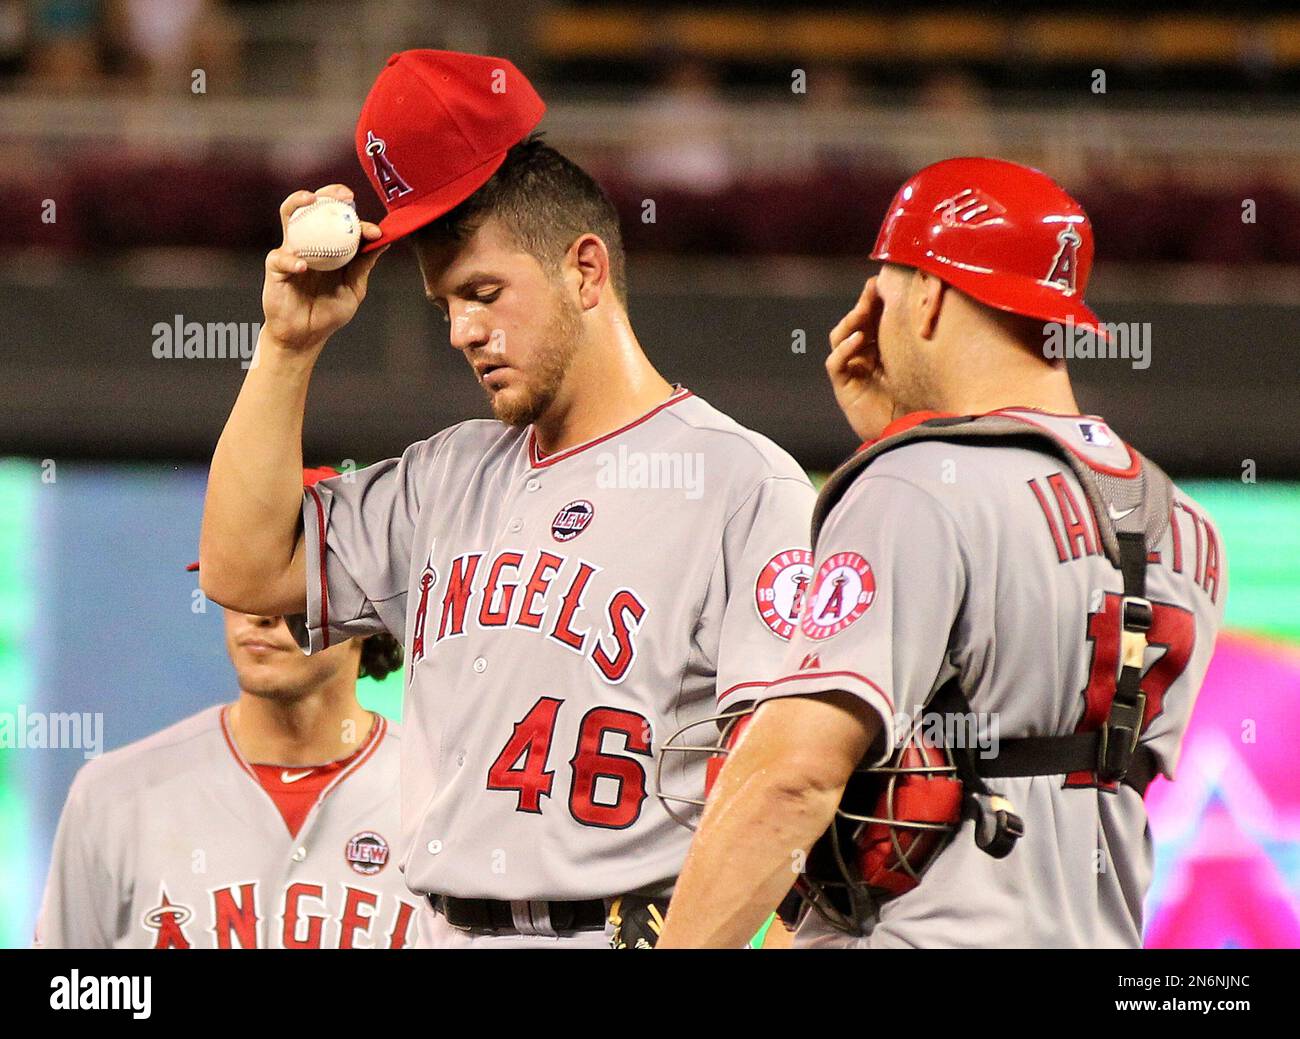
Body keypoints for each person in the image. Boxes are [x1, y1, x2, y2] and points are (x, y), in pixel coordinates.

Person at [198, 50, 815, 947]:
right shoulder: (448, 473)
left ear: (586, 270)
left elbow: (784, 781)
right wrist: (288, 345)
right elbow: (243, 566)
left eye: (484, 294)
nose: (461, 331)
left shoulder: (742, 483)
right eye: (446, 303)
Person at [658, 157, 1226, 949]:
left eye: (886, 285)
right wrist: (907, 434)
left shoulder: (914, 489)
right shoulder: (1187, 524)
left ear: (928, 293)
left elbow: (793, 779)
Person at [37, 470, 423, 948]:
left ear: (363, 604)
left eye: (288, 583)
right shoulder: (114, 794)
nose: (258, 611)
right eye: (239, 582)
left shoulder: (437, 800)